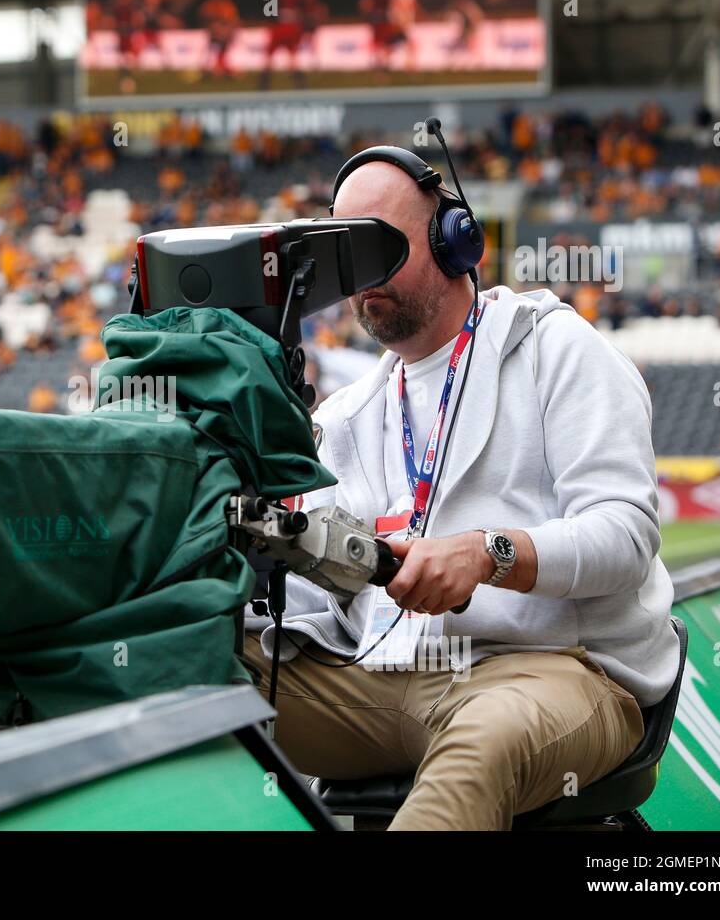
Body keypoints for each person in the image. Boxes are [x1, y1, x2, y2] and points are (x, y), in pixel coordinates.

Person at [242, 147, 678, 830]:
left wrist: (487, 553)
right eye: (347, 254)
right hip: (382, 678)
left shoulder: (558, 350)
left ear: (455, 242)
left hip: (559, 671)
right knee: (194, 660)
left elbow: (626, 537)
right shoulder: (343, 416)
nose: (363, 275)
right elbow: (309, 610)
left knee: (480, 745)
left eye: (380, 244)